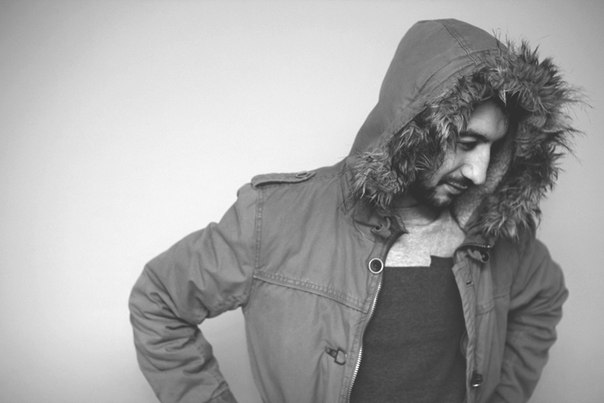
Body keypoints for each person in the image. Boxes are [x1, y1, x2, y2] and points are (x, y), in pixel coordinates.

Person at [129, 18, 579, 403]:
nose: (480, 172)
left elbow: (543, 298)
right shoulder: (275, 218)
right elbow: (159, 298)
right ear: (416, 132)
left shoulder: (495, 231)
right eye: (466, 142)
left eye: (494, 148)